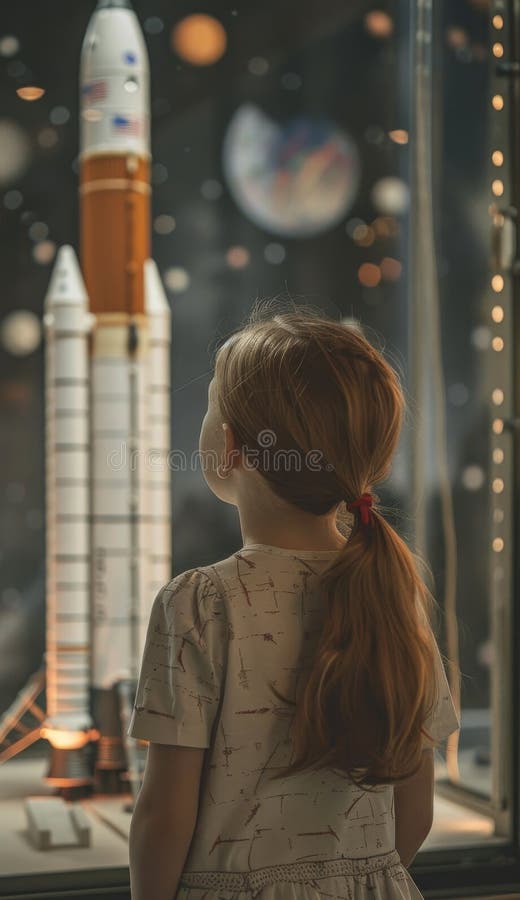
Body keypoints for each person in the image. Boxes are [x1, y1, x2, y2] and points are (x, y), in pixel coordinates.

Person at [127, 303, 461, 900]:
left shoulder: (201, 602)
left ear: (229, 447)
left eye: (209, 405)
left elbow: (162, 817)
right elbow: (416, 813)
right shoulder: (393, 591)